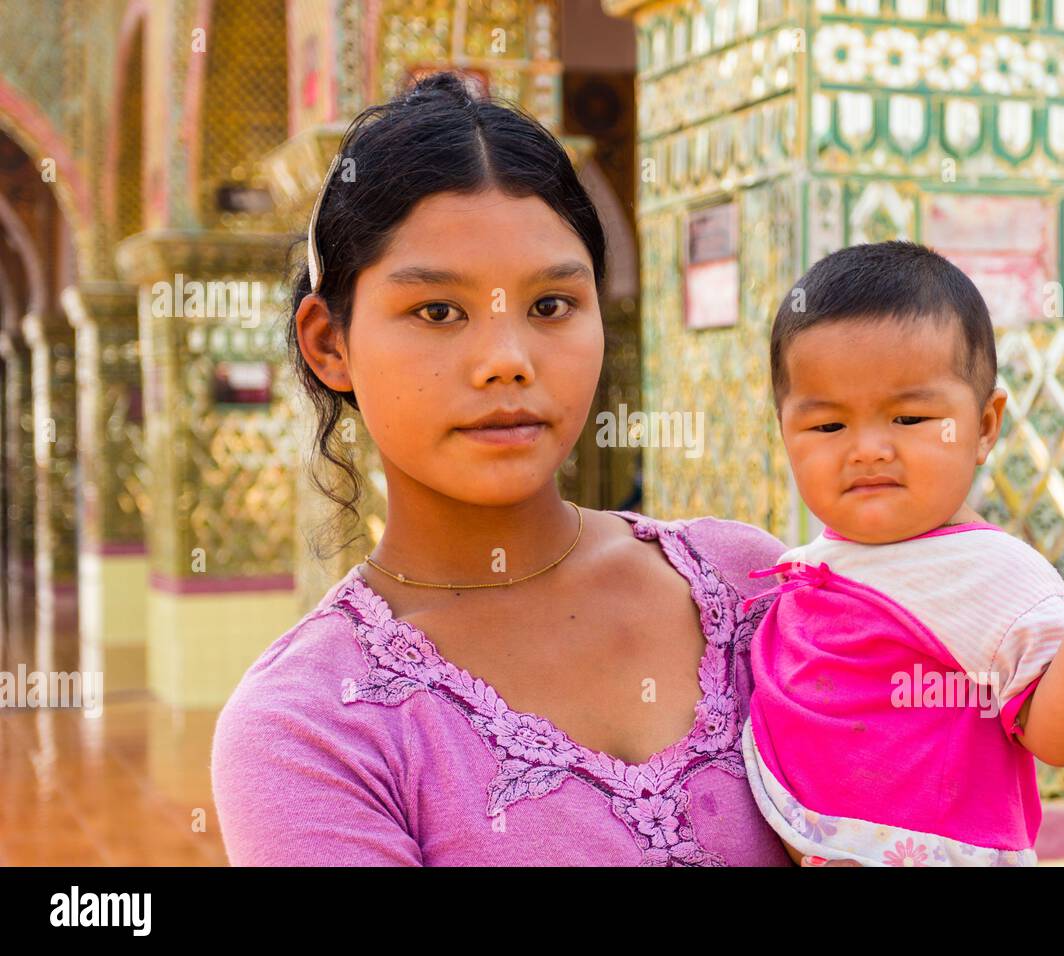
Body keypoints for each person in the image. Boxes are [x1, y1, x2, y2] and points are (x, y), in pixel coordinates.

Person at [209, 71, 793, 866]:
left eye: (551, 305)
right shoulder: (310, 726)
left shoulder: (747, 588)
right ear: (329, 343)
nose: (506, 361)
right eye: (438, 312)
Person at [740, 241, 1064, 866]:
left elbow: (1058, 735)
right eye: (829, 427)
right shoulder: (814, 566)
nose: (869, 449)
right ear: (784, 433)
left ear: (985, 426)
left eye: (909, 419)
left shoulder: (994, 577)